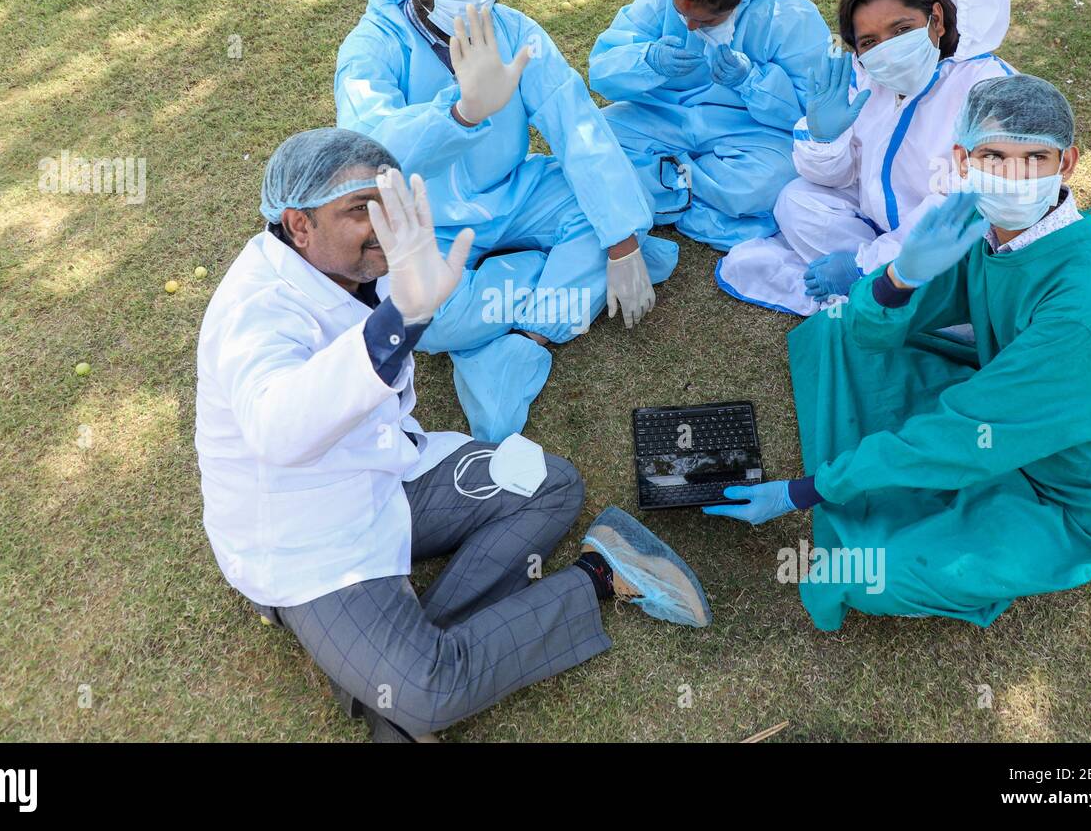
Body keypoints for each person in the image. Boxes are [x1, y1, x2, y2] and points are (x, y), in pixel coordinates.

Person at [195, 128, 712, 742]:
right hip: (307, 539)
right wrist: (396, 322)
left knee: (550, 484)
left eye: (388, 205)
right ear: (297, 225)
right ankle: (599, 577)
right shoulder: (255, 313)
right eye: (358, 210)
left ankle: (390, 674)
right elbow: (279, 427)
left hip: (387, 473)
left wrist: (416, 307)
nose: (382, 225)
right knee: (433, 693)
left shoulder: (363, 265)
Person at [702, 75, 1091, 630]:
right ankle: (898, 473)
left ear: (1066, 164)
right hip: (1001, 413)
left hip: (1062, 494)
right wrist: (900, 275)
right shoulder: (989, 230)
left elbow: (971, 432)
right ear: (963, 159)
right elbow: (880, 327)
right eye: (994, 155)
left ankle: (914, 500)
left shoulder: (1089, 307)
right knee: (842, 326)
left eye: (1034, 157)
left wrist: (809, 490)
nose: (1012, 176)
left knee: (862, 573)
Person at [335, 0, 679, 442]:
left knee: (622, 204)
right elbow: (370, 154)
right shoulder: (373, 46)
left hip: (513, 192)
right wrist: (460, 113)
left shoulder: (516, 32)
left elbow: (576, 126)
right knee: (424, 317)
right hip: (426, 218)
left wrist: (621, 243)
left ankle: (521, 336)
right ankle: (546, 307)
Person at [716, 0, 1015, 315]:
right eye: (869, 41)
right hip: (878, 224)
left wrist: (864, 264)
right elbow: (839, 178)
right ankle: (882, 290)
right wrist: (825, 139)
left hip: (950, 250)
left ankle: (884, 289)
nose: (886, 49)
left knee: (947, 271)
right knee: (794, 201)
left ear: (937, 19)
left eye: (901, 29)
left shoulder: (989, 91)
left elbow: (958, 212)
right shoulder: (867, 74)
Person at [588, 0, 831, 250]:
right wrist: (647, 59)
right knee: (589, 137)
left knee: (771, 181)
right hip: (662, 115)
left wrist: (752, 81)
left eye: (706, 19)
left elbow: (811, 114)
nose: (690, 26)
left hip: (748, 131)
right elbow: (602, 68)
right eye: (681, 13)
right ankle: (692, 187)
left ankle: (656, 184)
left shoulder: (791, 16)